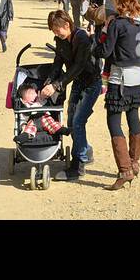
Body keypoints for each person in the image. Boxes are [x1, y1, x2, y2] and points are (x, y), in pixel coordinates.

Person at [94, 0, 140, 190]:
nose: (113, 3)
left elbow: (105, 51)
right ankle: (134, 162)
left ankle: (125, 169)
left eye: (114, 0)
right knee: (133, 116)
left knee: (113, 121)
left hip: (120, 78)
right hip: (138, 76)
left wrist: (101, 33)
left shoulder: (118, 23)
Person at [44, 10, 99, 180]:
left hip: (91, 83)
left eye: (56, 29)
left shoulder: (82, 38)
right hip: (76, 82)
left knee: (77, 122)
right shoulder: (60, 41)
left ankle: (78, 165)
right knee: (71, 120)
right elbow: (57, 63)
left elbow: (79, 66)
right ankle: (85, 150)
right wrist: (49, 80)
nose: (55, 33)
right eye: (53, 31)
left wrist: (57, 85)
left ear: (66, 25)